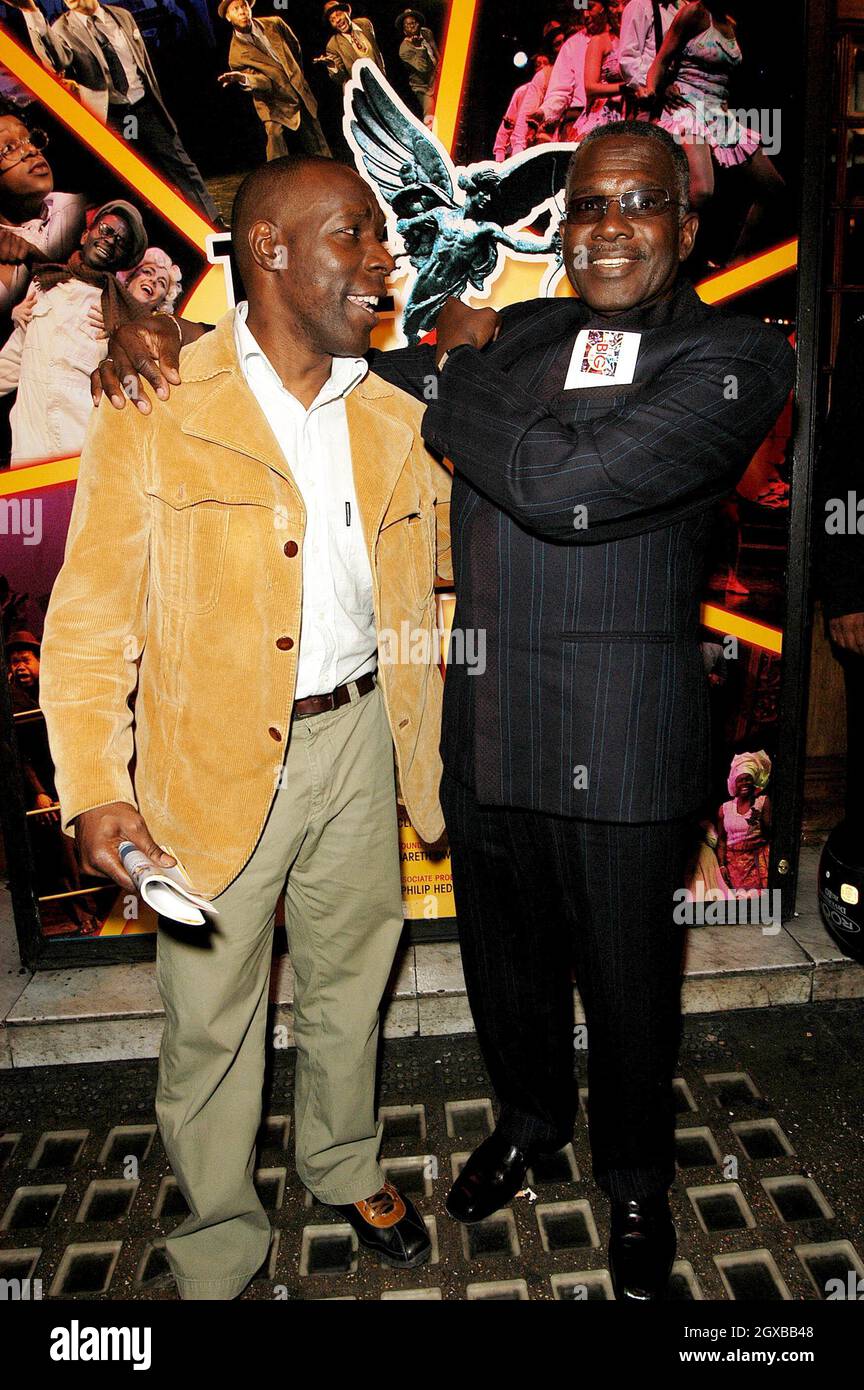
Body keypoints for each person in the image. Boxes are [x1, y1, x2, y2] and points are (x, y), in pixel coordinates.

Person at [92, 122, 796, 1302]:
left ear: (686, 222)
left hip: (623, 742)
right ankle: (527, 1120)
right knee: (506, 973)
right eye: (588, 207)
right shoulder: (522, 332)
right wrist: (161, 333)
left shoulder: (732, 356)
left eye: (640, 205)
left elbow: (571, 487)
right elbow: (320, 370)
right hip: (484, 731)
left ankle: (632, 1180)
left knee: (630, 987)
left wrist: (465, 378)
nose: (611, 229)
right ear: (561, 225)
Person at [39, 155, 452, 1300]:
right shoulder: (156, 399)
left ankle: (341, 1161)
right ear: (268, 249)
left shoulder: (398, 414)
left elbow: (436, 590)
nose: (383, 260)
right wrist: (93, 788)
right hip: (211, 762)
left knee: (348, 984)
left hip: (361, 744)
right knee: (211, 1022)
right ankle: (220, 1238)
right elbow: (88, 622)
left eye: (383, 239)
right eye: (356, 236)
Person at [7, 0, 220, 224]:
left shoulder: (122, 16)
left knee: (181, 167)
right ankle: (156, 233)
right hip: (115, 116)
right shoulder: (62, 28)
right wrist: (30, 11)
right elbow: (55, 61)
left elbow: (142, 61)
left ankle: (212, 221)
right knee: (133, 178)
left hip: (146, 107)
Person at [0, 198, 146, 464]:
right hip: (29, 454)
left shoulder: (117, 311)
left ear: (123, 260)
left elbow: (135, 386)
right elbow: (11, 362)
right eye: (106, 230)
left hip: (82, 454)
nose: (111, 241)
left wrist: (119, 332)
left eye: (121, 242)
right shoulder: (43, 285)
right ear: (84, 236)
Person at [640, 2, 785, 259]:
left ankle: (735, 262)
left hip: (719, 113)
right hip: (687, 106)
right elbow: (660, 62)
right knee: (702, 190)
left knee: (773, 189)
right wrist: (655, 91)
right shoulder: (694, 14)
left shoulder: (731, 23)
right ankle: (669, 256)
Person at [217, 0, 331, 161]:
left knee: (317, 140)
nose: (242, 11)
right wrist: (244, 78)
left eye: (244, 6)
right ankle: (275, 181)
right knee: (275, 141)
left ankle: (328, 175)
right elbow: (264, 82)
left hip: (297, 89)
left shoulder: (275, 23)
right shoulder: (236, 55)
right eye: (236, 9)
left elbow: (295, 48)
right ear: (229, 17)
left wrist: (295, 76)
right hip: (273, 101)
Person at [0, 108, 86, 314]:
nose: (31, 149)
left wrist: (33, 254)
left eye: (28, 138)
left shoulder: (74, 208)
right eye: (9, 148)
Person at [716, 752, 772, 893]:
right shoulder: (725, 808)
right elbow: (722, 841)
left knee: (757, 902)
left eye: (748, 779)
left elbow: (769, 834)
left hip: (756, 863)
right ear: (735, 783)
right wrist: (722, 866)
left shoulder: (762, 802)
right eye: (741, 780)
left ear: (754, 781)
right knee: (737, 902)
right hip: (733, 865)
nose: (745, 783)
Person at [575, 0, 629, 138]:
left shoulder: (640, 39)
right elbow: (590, 87)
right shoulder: (600, 41)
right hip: (605, 113)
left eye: (626, 3)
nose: (620, 10)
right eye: (614, 5)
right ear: (606, 10)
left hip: (632, 111)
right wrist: (625, 88)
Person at [618, 0, 686, 90]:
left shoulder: (684, 7)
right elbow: (628, 60)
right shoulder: (640, 5)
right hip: (654, 94)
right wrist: (656, 85)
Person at [319, 1, 385, 86]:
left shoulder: (365, 24)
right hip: (363, 91)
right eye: (332, 20)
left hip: (382, 80)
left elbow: (376, 51)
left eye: (339, 14)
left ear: (347, 13)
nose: (337, 20)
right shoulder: (333, 46)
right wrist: (332, 65)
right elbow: (340, 78)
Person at [396, 9, 438, 123]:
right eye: (407, 25)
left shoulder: (426, 33)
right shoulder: (404, 49)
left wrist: (432, 43)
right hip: (423, 87)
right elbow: (423, 68)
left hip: (437, 77)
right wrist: (419, 48)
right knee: (430, 116)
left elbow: (436, 54)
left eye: (413, 23)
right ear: (404, 31)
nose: (411, 26)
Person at [118, 245, 182, 314]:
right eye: (147, 272)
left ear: (162, 302)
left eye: (161, 283)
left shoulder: (155, 324)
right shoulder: (105, 296)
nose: (153, 280)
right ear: (129, 278)